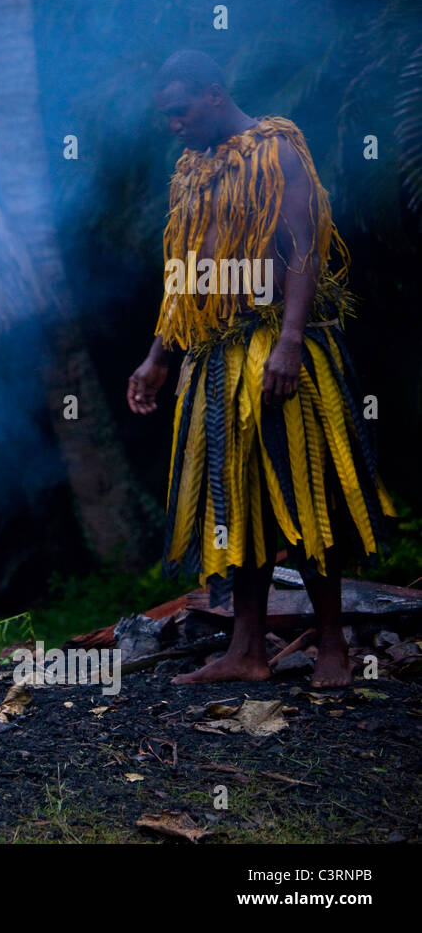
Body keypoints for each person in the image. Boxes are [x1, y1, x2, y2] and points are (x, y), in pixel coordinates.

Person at [127, 50, 393, 688]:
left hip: (279, 341)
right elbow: (186, 274)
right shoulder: (192, 170)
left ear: (215, 95)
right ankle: (247, 651)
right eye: (166, 116)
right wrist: (159, 355)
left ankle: (333, 649)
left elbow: (304, 249)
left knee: (307, 495)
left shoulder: (277, 152)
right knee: (235, 505)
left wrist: (291, 341)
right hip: (215, 354)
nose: (173, 126)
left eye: (180, 112)